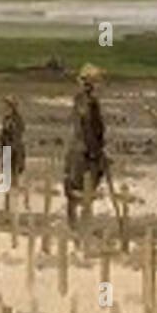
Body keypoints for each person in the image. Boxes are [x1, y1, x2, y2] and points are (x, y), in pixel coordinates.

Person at [63, 64, 107, 227]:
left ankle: (75, 223)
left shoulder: (78, 99)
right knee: (86, 189)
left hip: (77, 148)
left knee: (74, 189)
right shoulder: (90, 103)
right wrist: (97, 152)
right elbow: (89, 128)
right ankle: (82, 224)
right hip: (86, 152)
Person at [0, 95, 26, 186]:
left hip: (14, 151)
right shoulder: (7, 119)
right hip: (8, 149)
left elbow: (17, 136)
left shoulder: (16, 120)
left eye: (7, 105)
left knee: (14, 175)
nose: (4, 107)